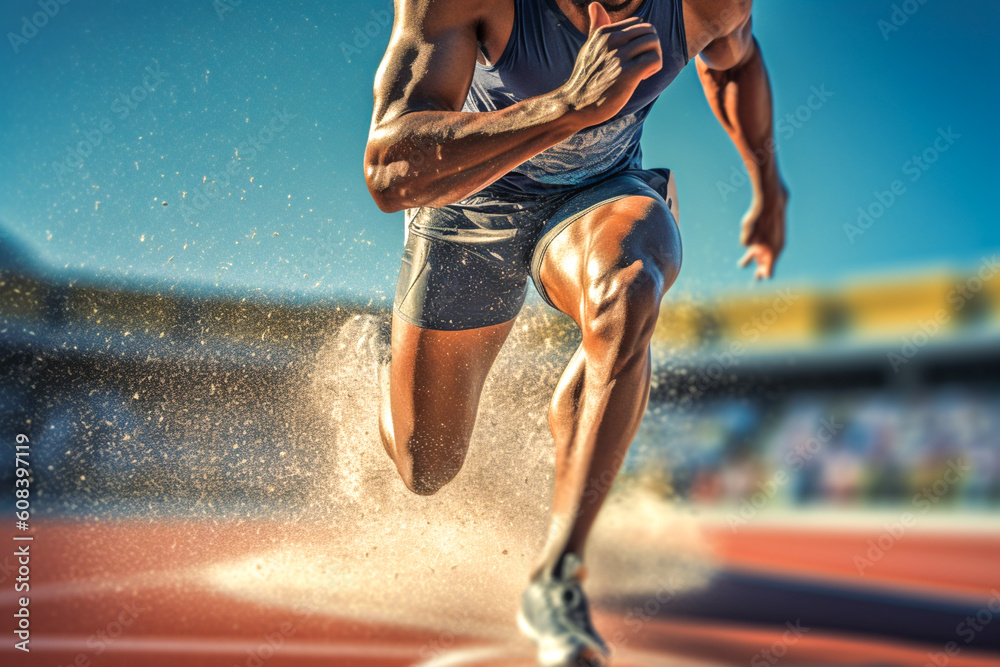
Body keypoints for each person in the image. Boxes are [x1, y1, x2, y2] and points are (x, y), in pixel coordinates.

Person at [362, 0, 787, 663]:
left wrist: (768, 189)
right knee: (427, 464)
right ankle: (398, 365)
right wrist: (568, 106)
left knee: (629, 291)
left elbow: (734, 59)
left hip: (599, 192)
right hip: (473, 199)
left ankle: (556, 576)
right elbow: (389, 169)